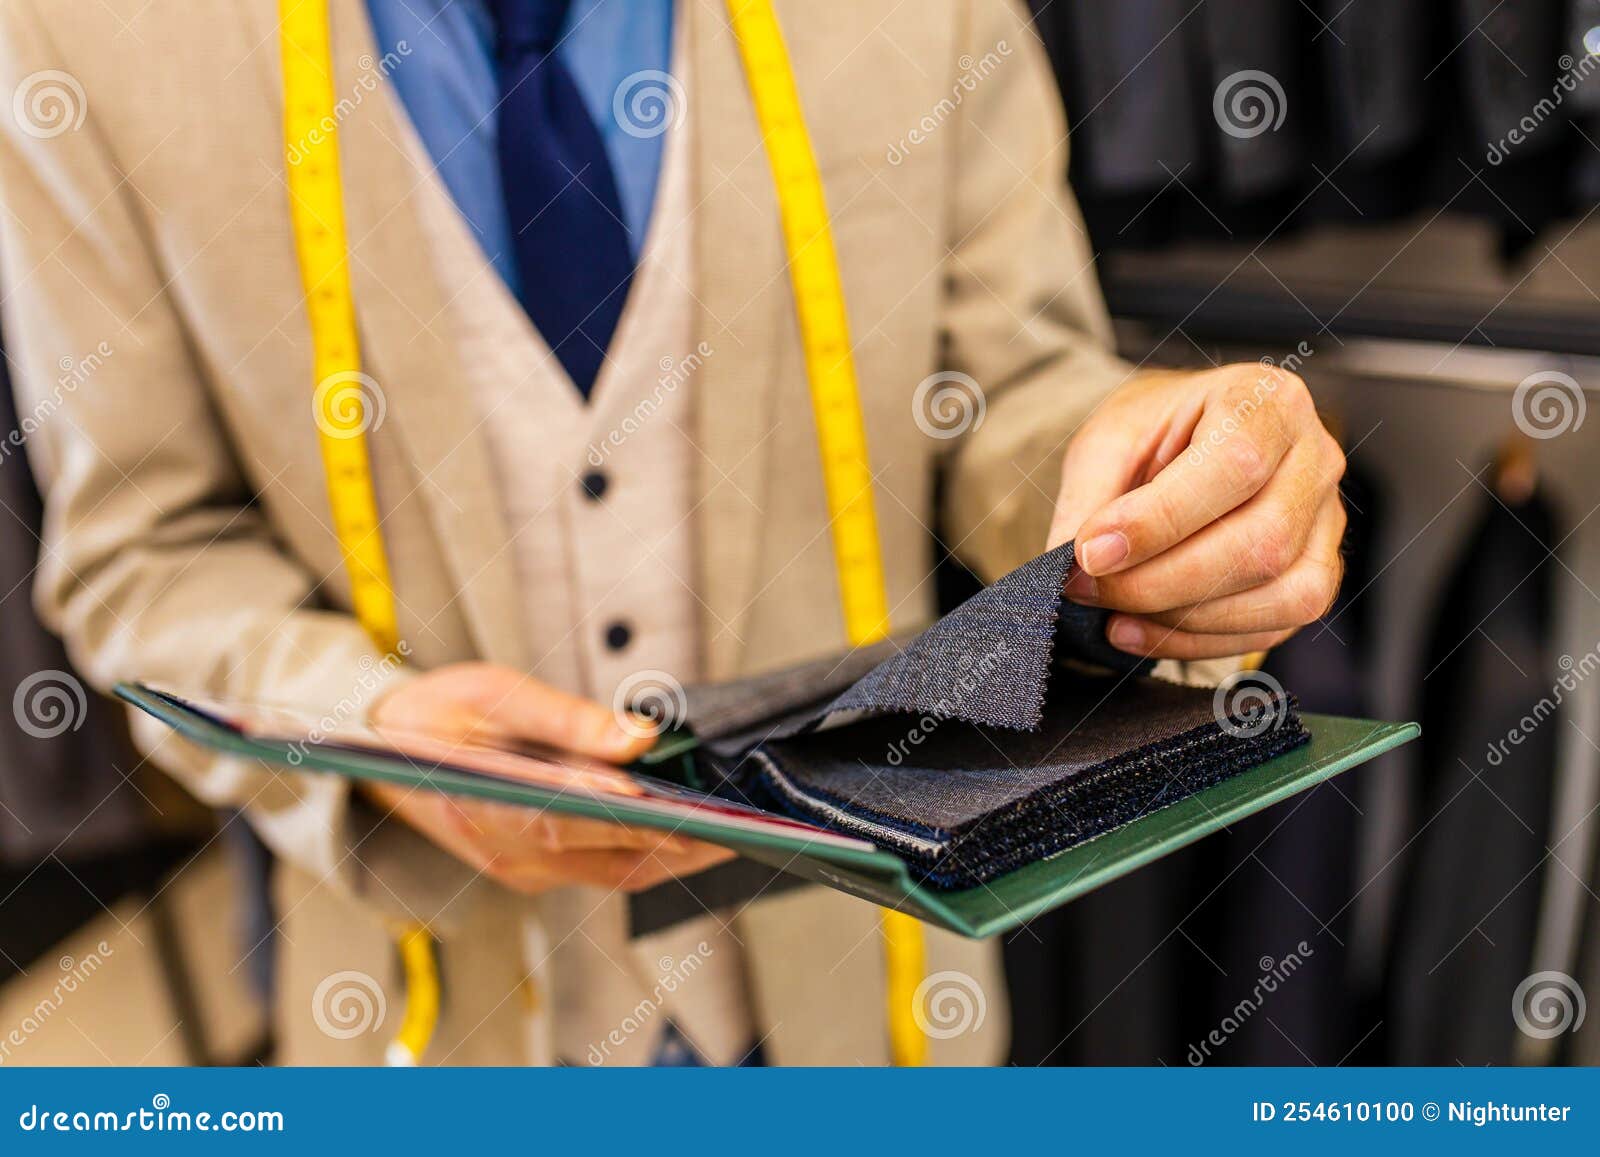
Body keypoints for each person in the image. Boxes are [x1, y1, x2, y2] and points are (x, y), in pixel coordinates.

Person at [0, 0, 1345, 1065]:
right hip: (422, 1019)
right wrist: (365, 719)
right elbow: (143, 551)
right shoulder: (82, 32)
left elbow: (1013, 390)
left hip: (860, 999)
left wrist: (1172, 473)